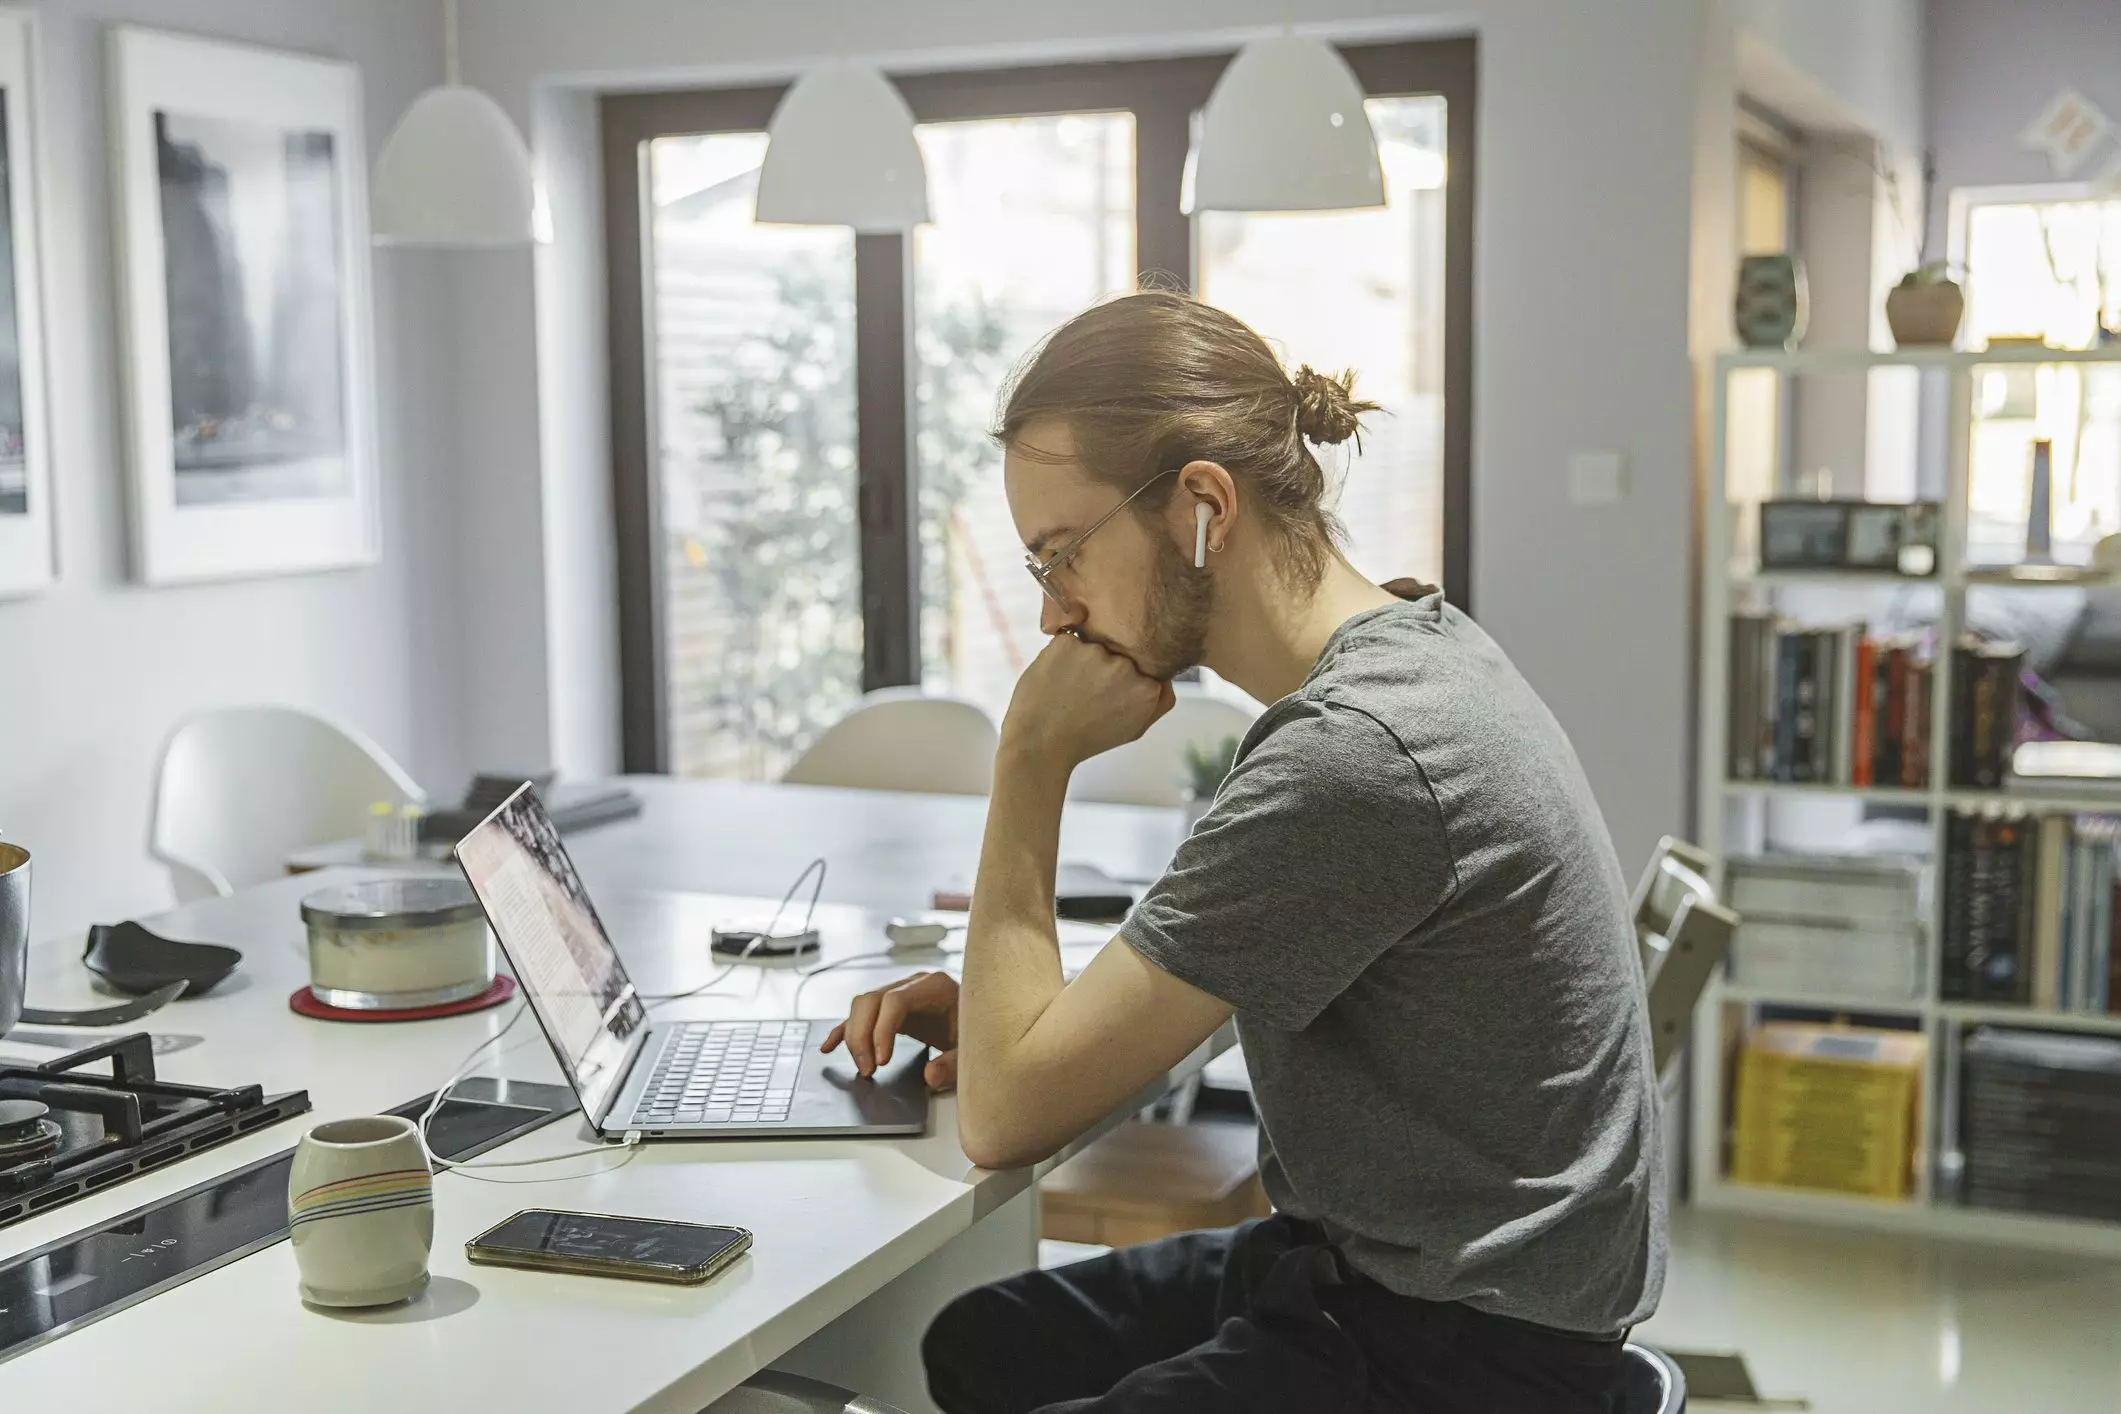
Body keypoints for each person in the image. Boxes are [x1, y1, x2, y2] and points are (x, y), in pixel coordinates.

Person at [822, 290, 1663, 1414]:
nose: (1052, 617)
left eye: (1061, 557)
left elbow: (1009, 1117)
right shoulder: (1422, 641)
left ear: (1202, 506)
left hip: (1457, 1351)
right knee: (985, 1344)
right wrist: (1006, 1025)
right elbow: (1066, 1052)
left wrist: (1028, 758)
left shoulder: (1355, 755)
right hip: (1418, 1283)